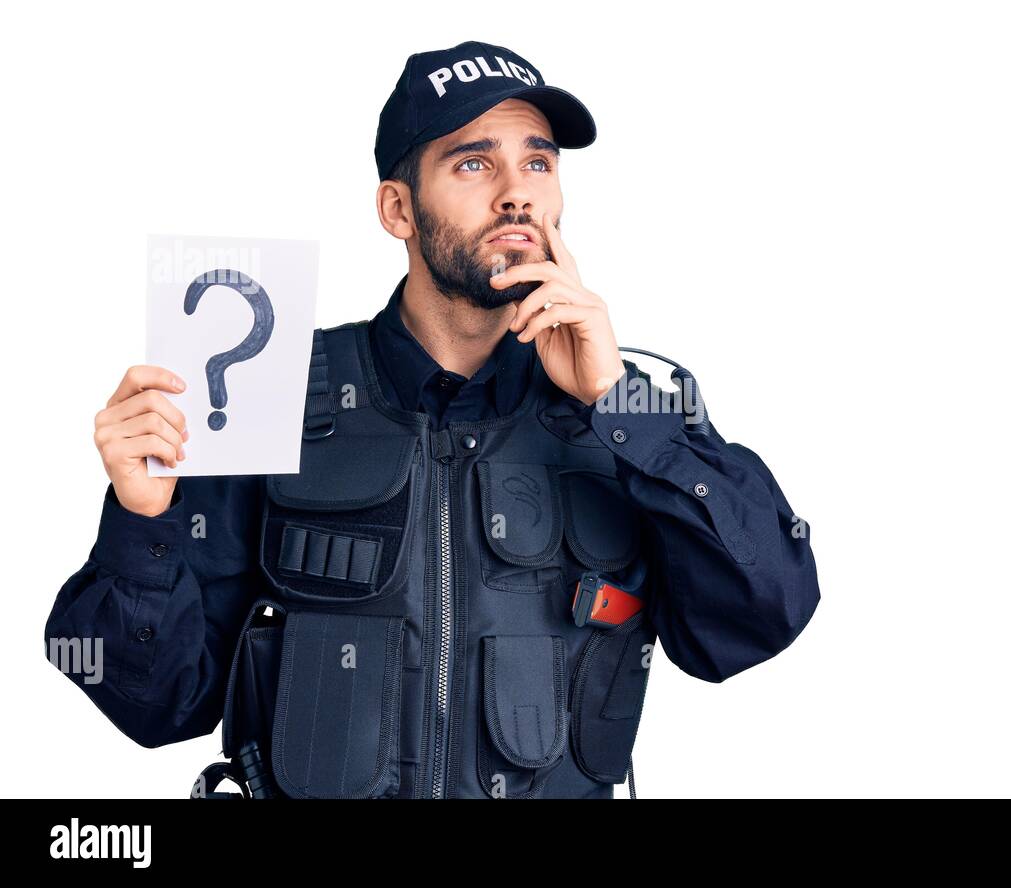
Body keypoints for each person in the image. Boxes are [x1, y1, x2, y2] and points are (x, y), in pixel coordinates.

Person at [44, 40, 820, 799]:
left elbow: (762, 618)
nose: (516, 191)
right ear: (397, 208)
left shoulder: (625, 406)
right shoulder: (268, 389)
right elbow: (155, 707)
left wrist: (617, 403)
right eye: (474, 163)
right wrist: (142, 520)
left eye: (539, 162)